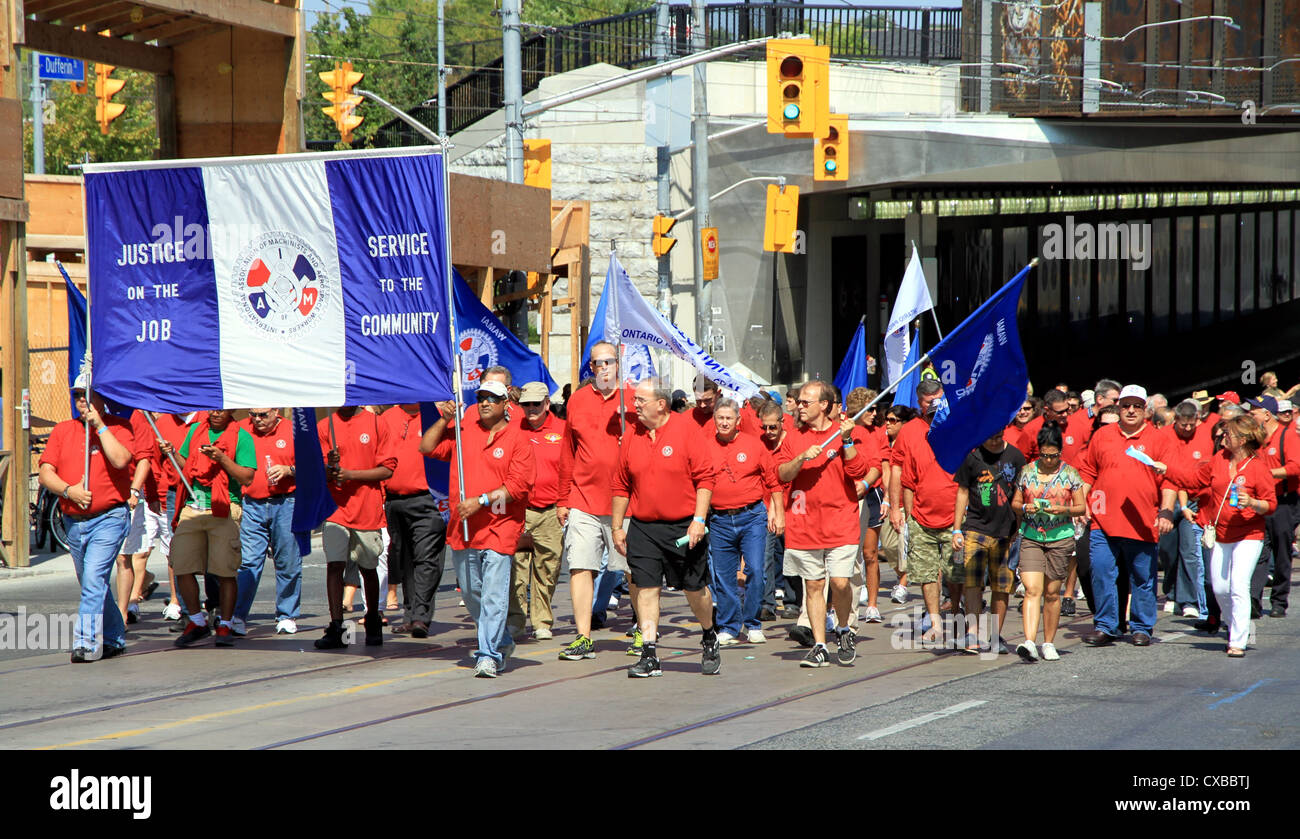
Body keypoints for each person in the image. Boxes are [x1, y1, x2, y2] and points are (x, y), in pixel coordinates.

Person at [422, 381, 535, 677]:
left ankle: (488, 654)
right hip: (465, 527)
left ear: (505, 404)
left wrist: (482, 501)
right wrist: (445, 419)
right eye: (481, 397)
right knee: (473, 594)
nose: (485, 403)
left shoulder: (518, 439)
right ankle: (503, 640)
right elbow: (427, 447)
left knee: (495, 596)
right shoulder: (464, 429)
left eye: (492, 399)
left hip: (500, 527)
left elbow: (517, 487)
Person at [611, 378, 721, 678]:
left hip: (684, 526)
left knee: (694, 588)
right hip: (644, 527)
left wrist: (699, 520)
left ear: (661, 404)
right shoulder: (631, 434)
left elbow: (705, 479)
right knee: (646, 587)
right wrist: (617, 526)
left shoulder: (687, 430)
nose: (634, 405)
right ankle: (649, 652)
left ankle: (709, 632)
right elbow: (621, 485)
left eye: (640, 401)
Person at [38, 379, 139, 662]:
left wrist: (99, 427)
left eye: (87, 395)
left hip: (109, 517)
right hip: (74, 521)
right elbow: (47, 473)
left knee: (94, 578)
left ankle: (85, 643)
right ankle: (115, 636)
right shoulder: (63, 430)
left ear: (101, 397)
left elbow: (121, 461)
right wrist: (70, 491)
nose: (82, 401)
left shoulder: (120, 426)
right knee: (92, 583)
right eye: (78, 395)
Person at [778, 380, 874, 666]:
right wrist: (800, 459)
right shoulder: (794, 437)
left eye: (806, 402)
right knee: (814, 586)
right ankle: (820, 644)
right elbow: (781, 473)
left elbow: (859, 470)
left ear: (824, 405)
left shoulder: (842, 432)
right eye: (799, 402)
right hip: (805, 523)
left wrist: (846, 441)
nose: (800, 406)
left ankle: (843, 629)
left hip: (840, 521)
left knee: (842, 583)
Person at [1077, 385, 1180, 647]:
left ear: (1145, 409)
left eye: (1136, 405)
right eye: (1125, 405)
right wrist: (1080, 503)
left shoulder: (1160, 439)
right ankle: (1106, 625)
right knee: (1100, 572)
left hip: (1143, 521)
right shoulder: (1102, 435)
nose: (1131, 410)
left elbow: (1169, 480)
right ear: (1118, 407)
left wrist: (1167, 511)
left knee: (1142, 578)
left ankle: (1142, 627)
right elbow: (1088, 472)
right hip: (1103, 519)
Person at [555, 341, 635, 661]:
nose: (602, 368)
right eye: (596, 364)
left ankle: (643, 628)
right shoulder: (577, 400)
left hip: (624, 502)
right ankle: (583, 637)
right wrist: (563, 499)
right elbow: (567, 452)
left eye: (607, 362)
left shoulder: (633, 399)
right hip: (582, 499)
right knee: (580, 566)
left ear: (619, 363)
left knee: (633, 570)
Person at [1183, 415, 1277, 656]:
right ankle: (1235, 622)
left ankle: (1238, 640)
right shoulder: (1219, 459)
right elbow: (1194, 480)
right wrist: (1163, 468)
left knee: (1238, 584)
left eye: (1228, 434)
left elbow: (1271, 504)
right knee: (1220, 588)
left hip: (1249, 533)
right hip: (1221, 533)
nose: (1223, 437)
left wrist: (1253, 502)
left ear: (1243, 439)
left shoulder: (1258, 466)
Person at [164, 408, 257, 647]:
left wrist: (222, 458)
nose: (215, 413)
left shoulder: (241, 436)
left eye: (222, 409)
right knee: (181, 564)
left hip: (225, 506)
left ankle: (225, 624)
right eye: (212, 408)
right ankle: (197, 620)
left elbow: (246, 477)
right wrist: (173, 453)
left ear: (232, 410)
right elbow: (187, 466)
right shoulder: (196, 430)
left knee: (225, 571)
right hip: (193, 507)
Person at [315, 405, 396, 650]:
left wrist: (351, 474)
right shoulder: (324, 426)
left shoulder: (376, 423)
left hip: (366, 508)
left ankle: (372, 618)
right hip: (335, 508)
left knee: (367, 566)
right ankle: (337, 625)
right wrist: (329, 469)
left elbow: (387, 469)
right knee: (335, 565)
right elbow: (317, 471)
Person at [704, 398, 783, 645]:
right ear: (714, 420)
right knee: (723, 576)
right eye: (720, 418)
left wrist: (777, 512)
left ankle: (753, 623)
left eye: (729, 418)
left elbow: (773, 481)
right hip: (719, 520)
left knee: (757, 570)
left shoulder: (754, 445)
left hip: (752, 517)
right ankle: (729, 626)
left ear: (738, 421)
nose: (724, 422)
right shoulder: (705, 447)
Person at [890, 379, 959, 645]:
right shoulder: (909, 431)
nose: (934, 404)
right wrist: (897, 508)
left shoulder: (957, 425)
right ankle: (935, 623)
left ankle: (955, 611)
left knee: (955, 572)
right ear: (919, 402)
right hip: (921, 515)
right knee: (927, 573)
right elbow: (901, 473)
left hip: (957, 517)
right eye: (929, 401)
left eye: (938, 398)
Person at [1012, 425, 1086, 661]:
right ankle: (1029, 642)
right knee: (1033, 590)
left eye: (1054, 455)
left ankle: (1049, 643)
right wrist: (1025, 507)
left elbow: (1081, 507)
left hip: (1060, 538)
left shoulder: (1071, 474)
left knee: (1053, 593)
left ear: (1060, 453)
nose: (1049, 460)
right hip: (1032, 536)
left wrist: (1063, 509)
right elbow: (1015, 502)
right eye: (1044, 455)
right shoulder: (1026, 471)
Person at [953, 428, 1025, 655]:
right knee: (973, 582)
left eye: (998, 437)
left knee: (1001, 586)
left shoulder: (1016, 457)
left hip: (1005, 532)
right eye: (990, 437)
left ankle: (995, 635)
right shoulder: (972, 456)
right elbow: (962, 491)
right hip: (975, 528)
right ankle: (973, 633)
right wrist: (956, 529)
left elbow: (1020, 493)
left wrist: (1019, 526)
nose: (994, 442)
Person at [380, 403, 447, 639]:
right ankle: (410, 616)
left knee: (426, 558)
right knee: (404, 560)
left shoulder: (435, 415)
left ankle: (421, 616)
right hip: (394, 500)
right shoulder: (387, 417)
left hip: (428, 500)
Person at [233, 408, 301, 635]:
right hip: (253, 503)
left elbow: (312, 465)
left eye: (263, 415)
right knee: (249, 562)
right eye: (253, 415)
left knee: (287, 561)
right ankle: (238, 616)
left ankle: (287, 614)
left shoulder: (293, 430)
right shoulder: (241, 429)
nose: (257, 420)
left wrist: (289, 470)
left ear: (276, 411)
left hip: (286, 502)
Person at [507, 382, 566, 642]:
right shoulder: (511, 429)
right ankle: (515, 621)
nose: (531, 409)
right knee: (517, 570)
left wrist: (566, 503)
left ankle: (541, 621)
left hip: (552, 510)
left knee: (547, 568)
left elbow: (569, 470)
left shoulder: (563, 431)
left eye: (536, 404)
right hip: (519, 510)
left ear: (547, 404)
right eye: (526, 404)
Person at [1244, 396, 1299, 619]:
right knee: (1258, 549)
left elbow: (1295, 467)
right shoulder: (1255, 439)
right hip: (1260, 503)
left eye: (1254, 412)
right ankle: (1254, 599)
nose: (1250, 415)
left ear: (1267, 415)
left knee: (1282, 550)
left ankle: (1279, 600)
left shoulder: (1288, 436)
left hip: (1283, 501)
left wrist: (1266, 474)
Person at [1163, 400, 1214, 620]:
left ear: (1198, 420)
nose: (1186, 429)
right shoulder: (1164, 436)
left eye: (1190, 425)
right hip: (1167, 496)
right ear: (1175, 421)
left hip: (1191, 499)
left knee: (1188, 549)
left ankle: (1188, 600)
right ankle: (1172, 592)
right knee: (1167, 550)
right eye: (1182, 425)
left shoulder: (1206, 435)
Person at [115, 410, 164, 625]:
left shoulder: (139, 416)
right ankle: (140, 587)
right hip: (108, 492)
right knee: (125, 555)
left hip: (138, 493)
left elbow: (146, 460)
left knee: (131, 555)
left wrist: (143, 492)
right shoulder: (95, 415)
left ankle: (126, 609)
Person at [847, 387, 889, 623]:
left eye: (876, 409)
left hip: (871, 494)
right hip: (844, 496)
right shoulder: (844, 429)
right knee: (845, 555)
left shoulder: (878, 434)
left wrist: (887, 499)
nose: (875, 413)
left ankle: (872, 605)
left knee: (870, 553)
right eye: (870, 409)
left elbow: (883, 466)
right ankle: (836, 607)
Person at [757, 401, 797, 620]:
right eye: (764, 427)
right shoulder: (760, 443)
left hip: (792, 506)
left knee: (792, 555)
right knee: (766, 557)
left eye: (773, 427)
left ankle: (792, 601)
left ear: (782, 422)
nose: (768, 432)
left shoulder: (792, 442)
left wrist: (778, 506)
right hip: (766, 507)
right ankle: (767, 603)